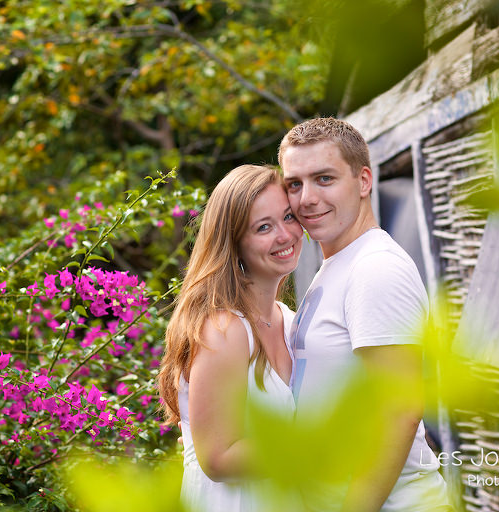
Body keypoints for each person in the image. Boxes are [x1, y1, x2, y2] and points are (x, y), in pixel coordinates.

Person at [279, 117, 452, 512]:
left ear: (363, 181)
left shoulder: (375, 269)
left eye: (324, 179)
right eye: (295, 183)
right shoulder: (335, 265)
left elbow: (399, 413)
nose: (306, 198)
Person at [157, 164, 303, 512]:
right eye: (264, 227)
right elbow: (218, 458)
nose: (285, 235)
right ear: (234, 243)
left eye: (288, 217)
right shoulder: (225, 329)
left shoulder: (290, 320)